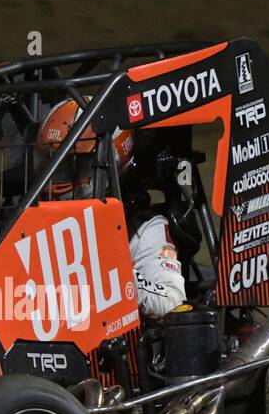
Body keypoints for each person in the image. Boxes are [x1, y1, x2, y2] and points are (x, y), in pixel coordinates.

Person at [35, 99, 187, 318]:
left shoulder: (144, 229)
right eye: (54, 165)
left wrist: (115, 279)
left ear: (111, 165)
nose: (60, 179)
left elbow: (172, 301)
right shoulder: (33, 222)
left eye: (76, 166)